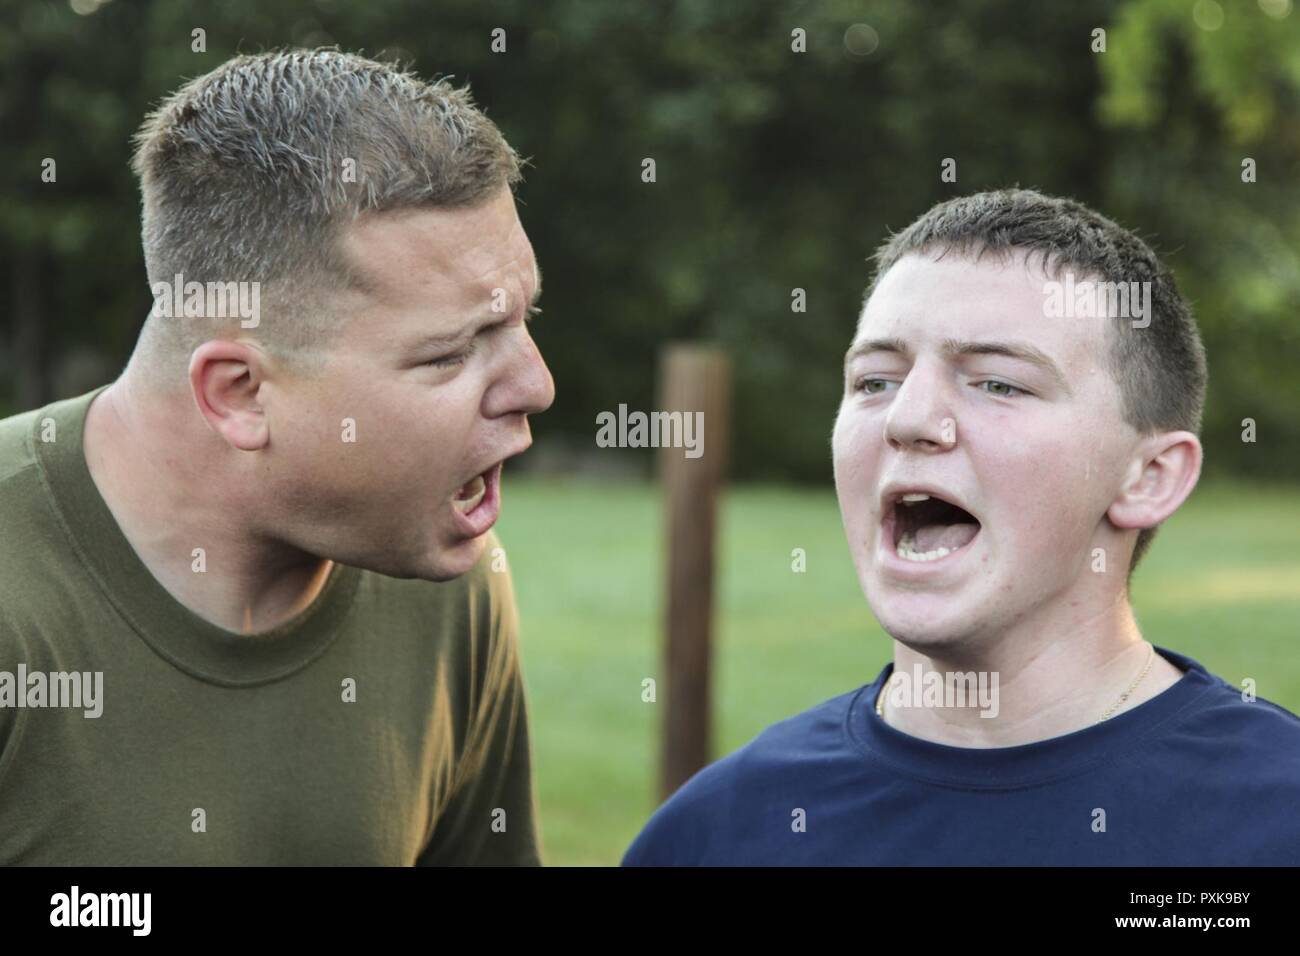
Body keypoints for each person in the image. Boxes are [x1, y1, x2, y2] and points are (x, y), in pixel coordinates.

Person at [623, 188, 1300, 866]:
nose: (908, 419)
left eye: (998, 383)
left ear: (1149, 476)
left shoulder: (1273, 816)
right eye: (874, 381)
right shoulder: (716, 835)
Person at [0, 49, 554, 865]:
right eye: (451, 352)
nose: (536, 384)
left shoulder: (450, 588)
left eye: (522, 317)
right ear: (240, 393)